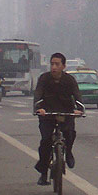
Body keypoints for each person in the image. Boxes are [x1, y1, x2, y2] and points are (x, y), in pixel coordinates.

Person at [33, 52, 83, 186]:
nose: (54, 67)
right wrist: (39, 108)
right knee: (46, 142)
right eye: (52, 64)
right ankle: (43, 174)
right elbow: (38, 94)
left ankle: (69, 153)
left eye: (57, 64)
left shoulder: (69, 80)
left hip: (65, 113)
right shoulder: (44, 78)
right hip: (47, 114)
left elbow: (77, 95)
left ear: (63, 66)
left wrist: (79, 109)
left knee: (70, 134)